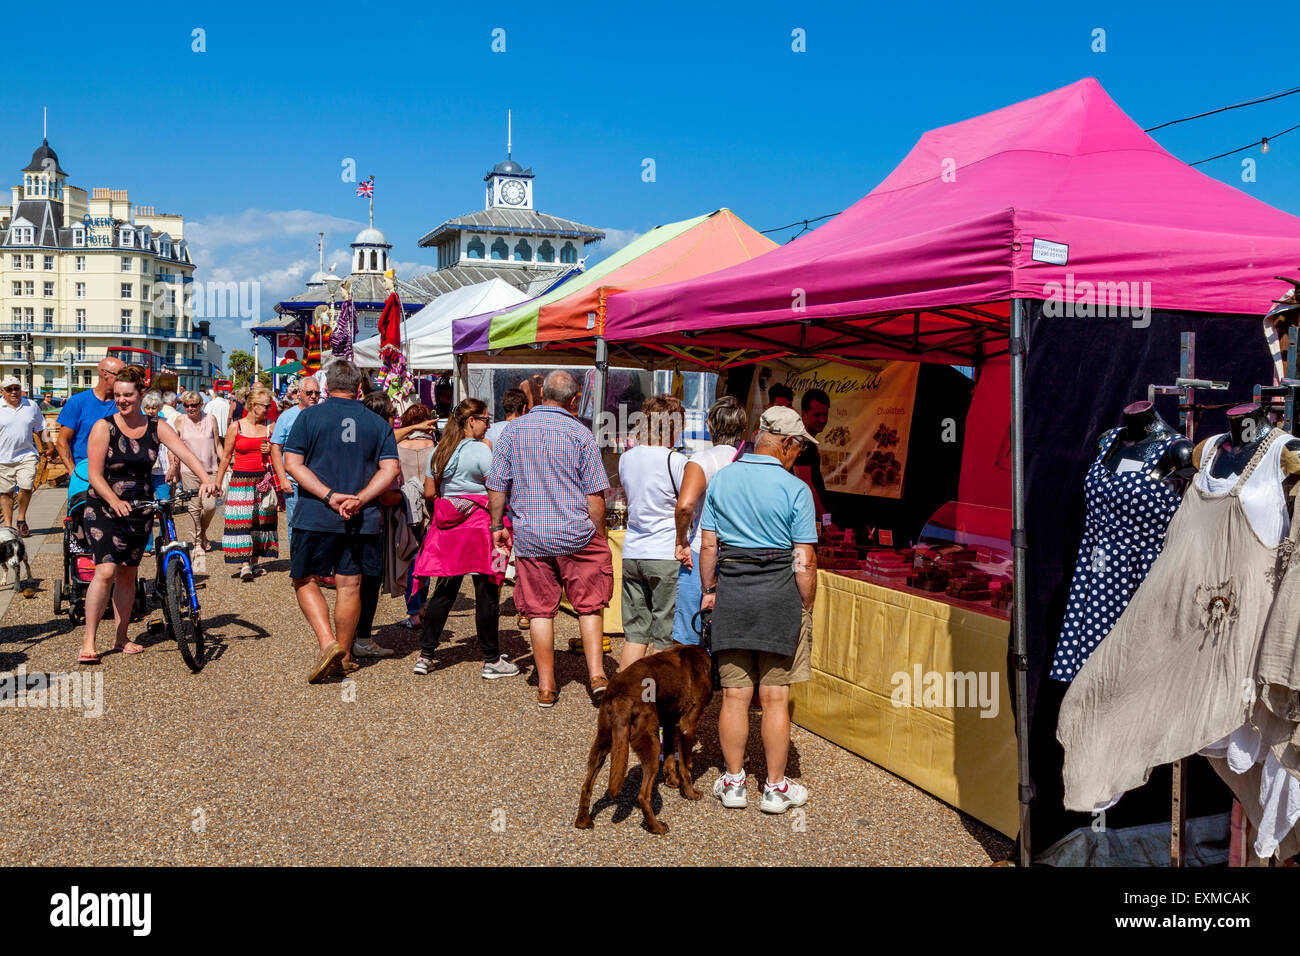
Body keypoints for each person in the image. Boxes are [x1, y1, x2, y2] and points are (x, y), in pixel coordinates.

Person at [700, 405, 818, 815]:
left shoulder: (723, 479)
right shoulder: (796, 489)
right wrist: (806, 603)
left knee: (734, 694)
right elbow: (803, 557)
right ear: (785, 442)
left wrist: (709, 591)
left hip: (733, 593)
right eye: (799, 447)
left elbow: (710, 545)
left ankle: (733, 783)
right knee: (775, 697)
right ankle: (774, 787)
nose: (798, 454)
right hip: (779, 596)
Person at [487, 370, 612, 708]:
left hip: (532, 537)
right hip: (576, 533)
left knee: (540, 611)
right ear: (573, 400)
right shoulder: (580, 433)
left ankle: (546, 685)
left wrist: (497, 524)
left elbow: (497, 484)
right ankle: (597, 675)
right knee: (589, 605)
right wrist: (598, 535)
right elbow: (595, 495)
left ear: (541, 396)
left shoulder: (513, 430)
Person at [78, 366, 216, 662]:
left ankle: (121, 637)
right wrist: (114, 500)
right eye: (117, 396)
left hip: (140, 507)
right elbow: (93, 474)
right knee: (105, 571)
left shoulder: (157, 426)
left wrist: (206, 478)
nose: (122, 401)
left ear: (142, 394)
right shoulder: (105, 427)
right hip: (104, 505)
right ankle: (88, 642)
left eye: (128, 395)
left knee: (128, 574)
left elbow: (185, 452)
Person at [283, 359, 400, 683]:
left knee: (305, 579)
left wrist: (329, 495)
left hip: (317, 513)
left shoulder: (309, 416)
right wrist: (360, 498)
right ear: (359, 388)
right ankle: (345, 655)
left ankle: (328, 643)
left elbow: (292, 463)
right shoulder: (377, 423)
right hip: (362, 516)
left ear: (327, 385)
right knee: (351, 584)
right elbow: (389, 470)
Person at [413, 398, 520, 680]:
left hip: (448, 530)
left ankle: (426, 655)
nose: (488, 425)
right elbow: (496, 487)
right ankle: (491, 659)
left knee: (444, 591)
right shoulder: (480, 451)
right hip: (479, 529)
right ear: (470, 421)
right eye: (485, 419)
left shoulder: (439, 451)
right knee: (486, 592)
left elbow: (429, 493)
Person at [617, 394, 688, 671]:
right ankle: (654, 699)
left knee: (635, 634)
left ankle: (622, 697)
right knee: (663, 637)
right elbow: (686, 506)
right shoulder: (676, 461)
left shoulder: (627, 458)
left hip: (633, 551)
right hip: (664, 552)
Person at [672, 396, 748, 645]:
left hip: (701, 553)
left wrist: (681, 539)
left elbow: (685, 506)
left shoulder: (703, 460)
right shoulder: (751, 462)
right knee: (730, 642)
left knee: (690, 637)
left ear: (709, 425)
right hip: (740, 558)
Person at [349, 390, 398, 659]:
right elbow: (388, 494)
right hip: (369, 516)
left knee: (348, 581)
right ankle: (362, 639)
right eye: (392, 415)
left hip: (341, 514)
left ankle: (346, 639)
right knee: (368, 582)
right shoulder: (382, 439)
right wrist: (403, 495)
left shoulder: (349, 438)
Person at [215, 384, 279, 582]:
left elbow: (279, 454)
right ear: (252, 405)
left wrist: (271, 449)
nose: (269, 409)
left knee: (262, 522)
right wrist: (217, 483)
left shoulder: (271, 426)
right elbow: (225, 457)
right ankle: (244, 564)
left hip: (263, 479)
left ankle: (254, 561)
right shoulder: (236, 426)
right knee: (241, 522)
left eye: (269, 406)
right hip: (240, 479)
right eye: (265, 406)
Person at [395, 402, 436, 628]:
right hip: (430, 509)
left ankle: (413, 612)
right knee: (425, 559)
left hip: (406, 508)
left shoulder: (398, 446)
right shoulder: (435, 446)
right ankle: (421, 606)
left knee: (409, 558)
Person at [270, 376, 321, 539]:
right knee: (296, 525)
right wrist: (282, 479)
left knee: (318, 525)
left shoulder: (323, 415)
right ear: (299, 393)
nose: (314, 396)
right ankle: (298, 563)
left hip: (318, 480)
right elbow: (275, 448)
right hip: (294, 482)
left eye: (317, 393)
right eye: (309, 392)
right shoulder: (287, 417)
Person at [55, 356, 124, 475]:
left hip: (117, 474)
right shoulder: (77, 402)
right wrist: (73, 473)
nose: (124, 380)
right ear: (105, 374)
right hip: (84, 472)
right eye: (121, 375)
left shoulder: (124, 403)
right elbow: (62, 441)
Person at [173, 390, 222, 551]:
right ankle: (195, 542)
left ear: (200, 405)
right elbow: (176, 448)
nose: (190, 408)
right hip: (189, 470)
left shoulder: (211, 419)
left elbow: (217, 445)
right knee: (194, 507)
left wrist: (226, 465)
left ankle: (202, 534)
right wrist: (174, 468)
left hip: (210, 469)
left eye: (193, 405)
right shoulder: (180, 421)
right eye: (186, 405)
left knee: (210, 506)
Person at [0, 377, 48, 536]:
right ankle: (8, 525)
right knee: (6, 492)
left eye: (16, 388)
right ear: (3, 392)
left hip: (26, 455)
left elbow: (41, 428)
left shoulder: (31, 406)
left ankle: (21, 518)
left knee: (26, 486)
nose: (14, 392)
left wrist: (50, 446)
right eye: (9, 389)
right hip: (2, 458)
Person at [792, 387, 838, 533]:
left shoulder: (805, 441)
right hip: (803, 520)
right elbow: (806, 486)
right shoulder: (803, 442)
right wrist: (827, 522)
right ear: (803, 414)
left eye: (825, 415)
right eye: (817, 415)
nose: (822, 420)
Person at [141, 391, 172, 502]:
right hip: (144, 470)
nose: (150, 411)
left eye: (154, 408)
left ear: (159, 408)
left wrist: (173, 467)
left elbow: (171, 449)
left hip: (162, 471)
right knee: (144, 503)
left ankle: (165, 519)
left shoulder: (167, 423)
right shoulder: (139, 424)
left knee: (164, 502)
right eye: (148, 408)